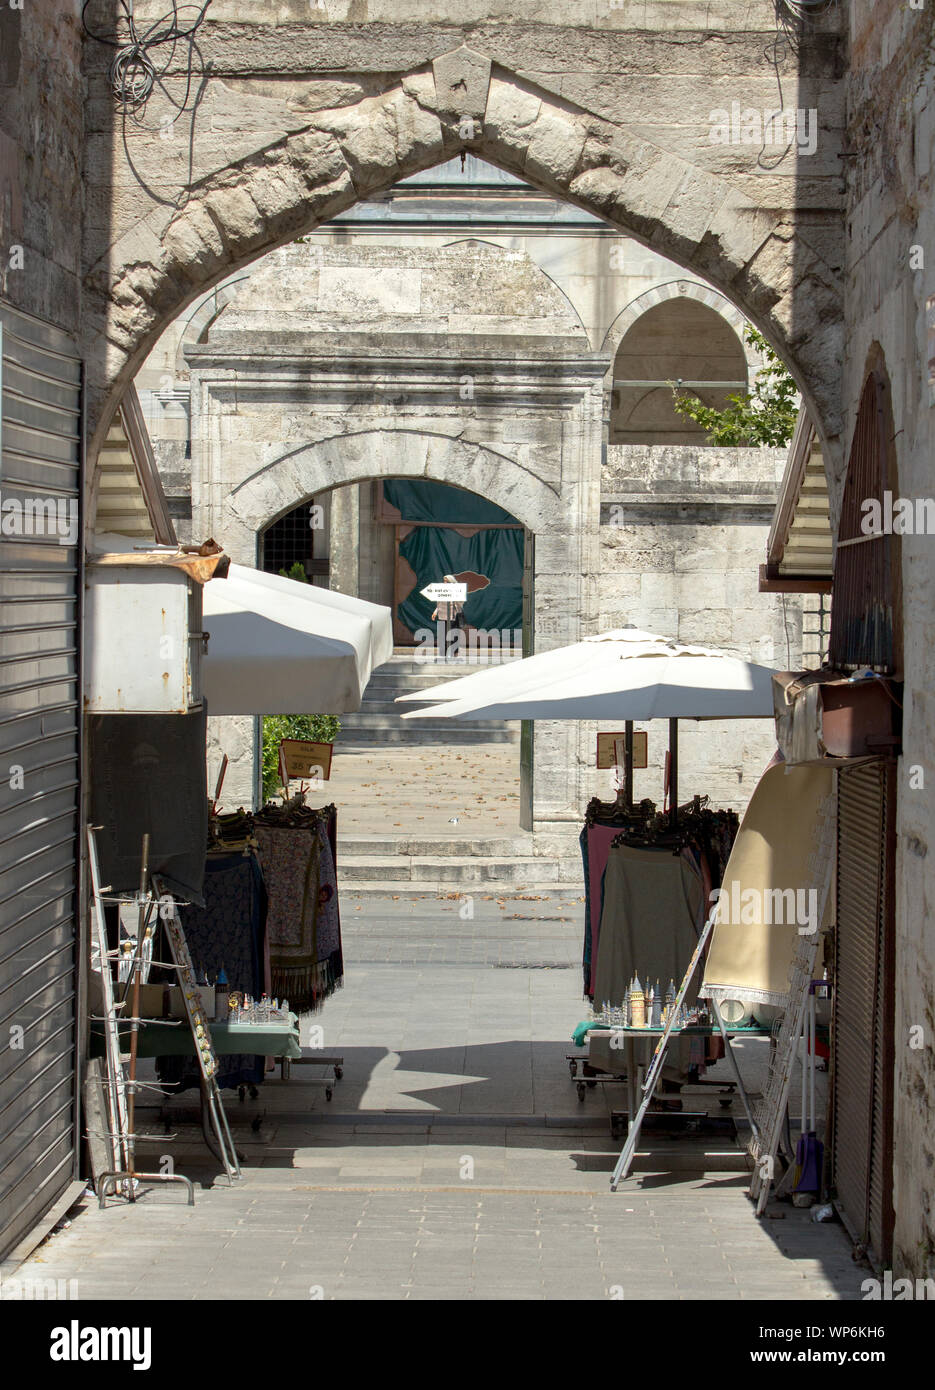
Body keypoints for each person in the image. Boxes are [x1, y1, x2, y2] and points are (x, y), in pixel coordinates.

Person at [431, 573, 465, 661]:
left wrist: (455, 604)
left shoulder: (457, 590)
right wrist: (435, 612)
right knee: (443, 635)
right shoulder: (442, 591)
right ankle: (444, 653)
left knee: (453, 634)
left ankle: (455, 653)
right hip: (442, 615)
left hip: (453, 616)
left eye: (447, 581)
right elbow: (439, 603)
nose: (445, 583)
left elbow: (460, 603)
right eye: (444, 581)